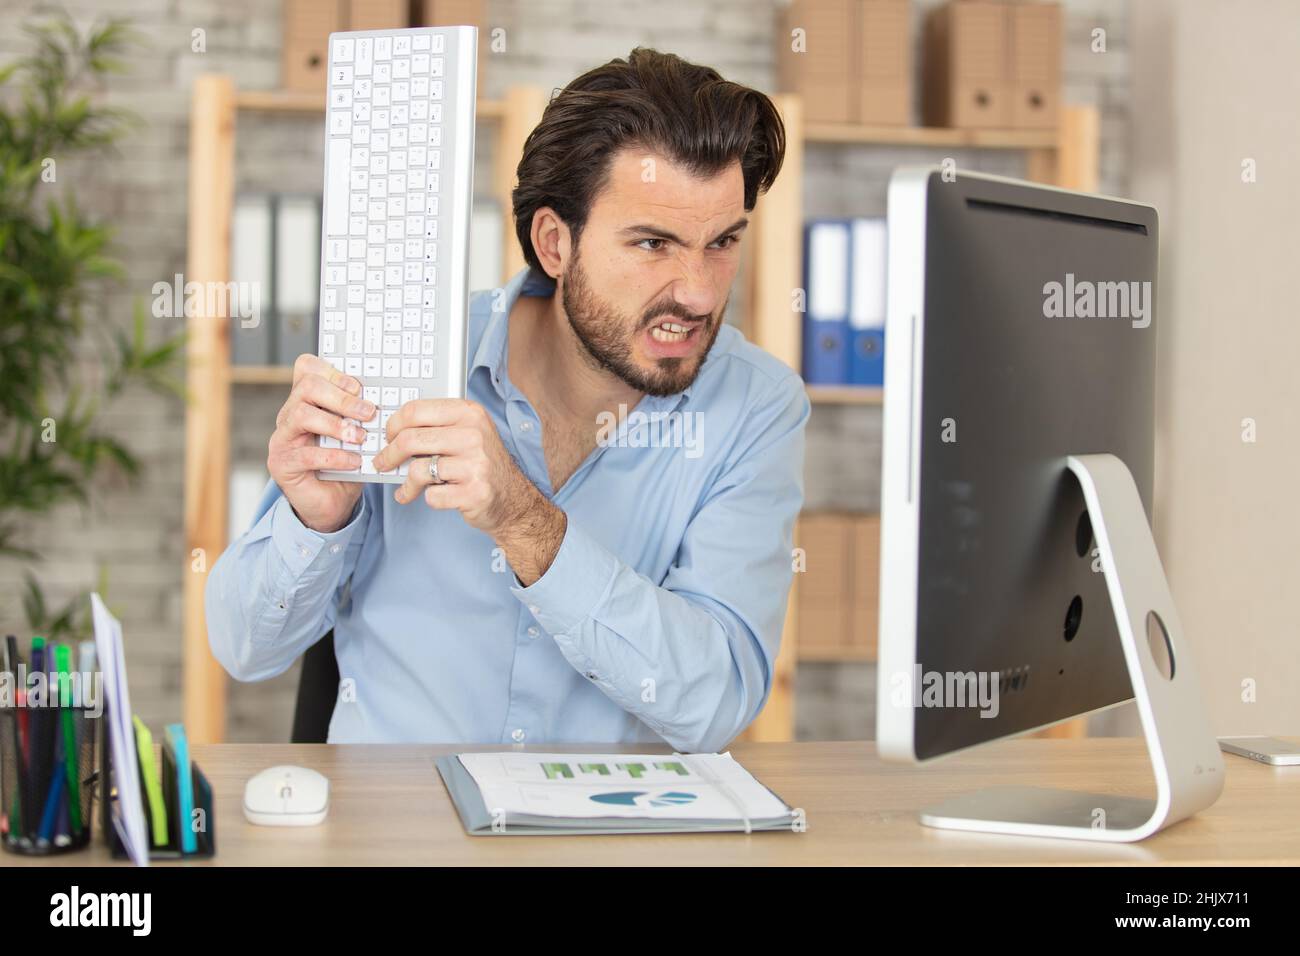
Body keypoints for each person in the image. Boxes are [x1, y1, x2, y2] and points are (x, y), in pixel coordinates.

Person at [206, 47, 809, 751]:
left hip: (608, 840)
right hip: (394, 837)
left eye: (723, 241)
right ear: (555, 243)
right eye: (653, 243)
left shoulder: (757, 405)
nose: (700, 292)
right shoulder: (403, 360)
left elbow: (715, 700)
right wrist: (316, 524)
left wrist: (526, 524)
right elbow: (245, 647)